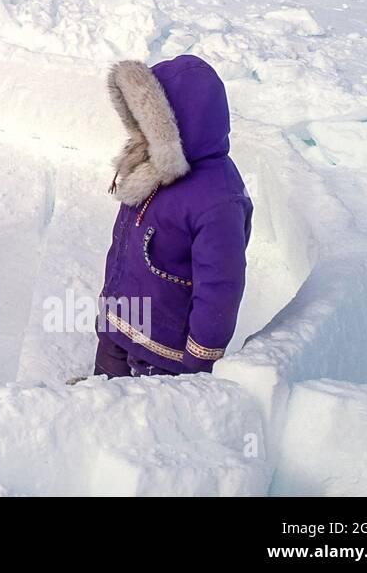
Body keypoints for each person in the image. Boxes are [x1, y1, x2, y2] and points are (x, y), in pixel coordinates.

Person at [93, 54, 253, 378]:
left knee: (140, 421)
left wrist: (198, 360)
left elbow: (220, 287)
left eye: (148, 121)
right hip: (120, 323)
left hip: (163, 353)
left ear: (173, 123)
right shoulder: (151, 169)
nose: (140, 130)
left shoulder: (218, 201)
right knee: (100, 405)